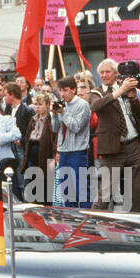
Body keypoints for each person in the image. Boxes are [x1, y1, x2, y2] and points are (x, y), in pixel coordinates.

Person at [91, 59, 140, 212]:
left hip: (134, 144)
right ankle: (92, 222)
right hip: (112, 148)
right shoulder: (97, 92)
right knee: (105, 192)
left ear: (116, 74)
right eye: (101, 72)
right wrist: (120, 91)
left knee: (136, 191)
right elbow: (95, 106)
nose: (104, 75)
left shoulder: (127, 89)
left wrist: (133, 98)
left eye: (107, 72)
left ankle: (137, 222)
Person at [51, 76, 92, 208]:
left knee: (81, 188)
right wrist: (55, 114)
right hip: (63, 152)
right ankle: (71, 217)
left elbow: (76, 127)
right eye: (61, 90)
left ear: (74, 90)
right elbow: (55, 128)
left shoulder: (82, 105)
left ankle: (87, 217)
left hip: (78, 152)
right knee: (67, 190)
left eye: (66, 90)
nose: (62, 94)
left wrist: (63, 112)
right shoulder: (62, 104)